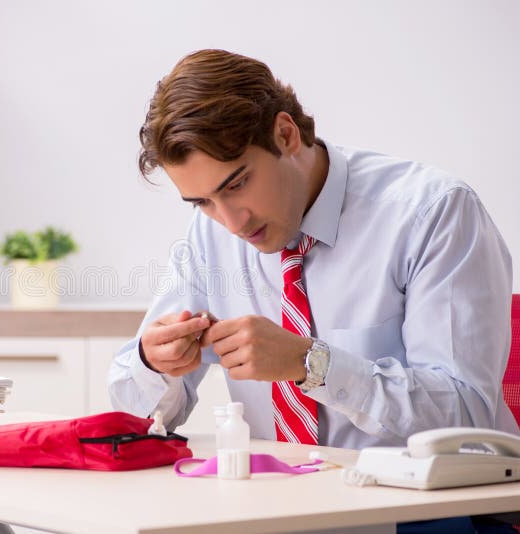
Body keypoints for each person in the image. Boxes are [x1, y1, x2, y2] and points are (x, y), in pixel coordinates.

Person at [108, 48, 518, 450]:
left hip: (422, 511)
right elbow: (135, 422)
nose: (231, 223)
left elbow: (467, 417)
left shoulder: (433, 213)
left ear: (285, 135)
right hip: (280, 508)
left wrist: (311, 365)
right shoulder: (209, 234)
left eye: (236, 184)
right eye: (202, 201)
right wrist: (153, 364)